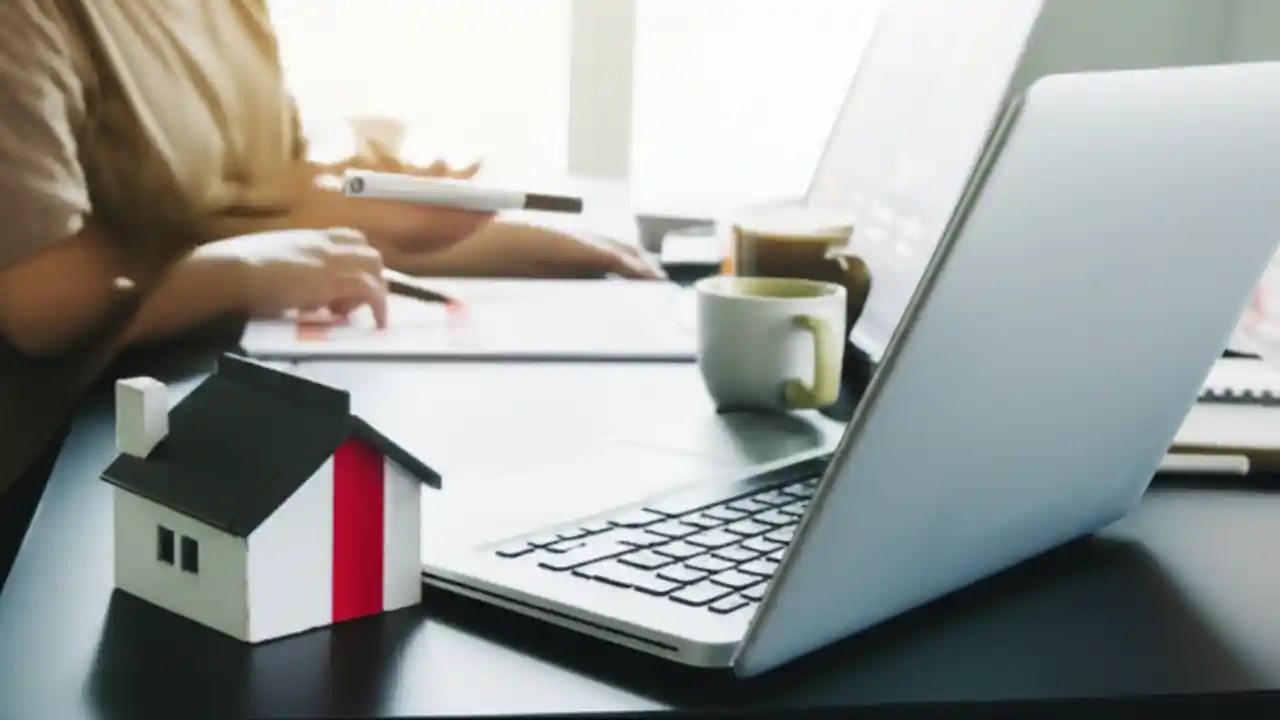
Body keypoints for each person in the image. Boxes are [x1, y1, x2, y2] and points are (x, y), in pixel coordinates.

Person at [0, 0, 662, 503]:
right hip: (64, 466)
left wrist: (508, 241)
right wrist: (237, 274)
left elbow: (267, 197)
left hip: (228, 399)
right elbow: (43, 305)